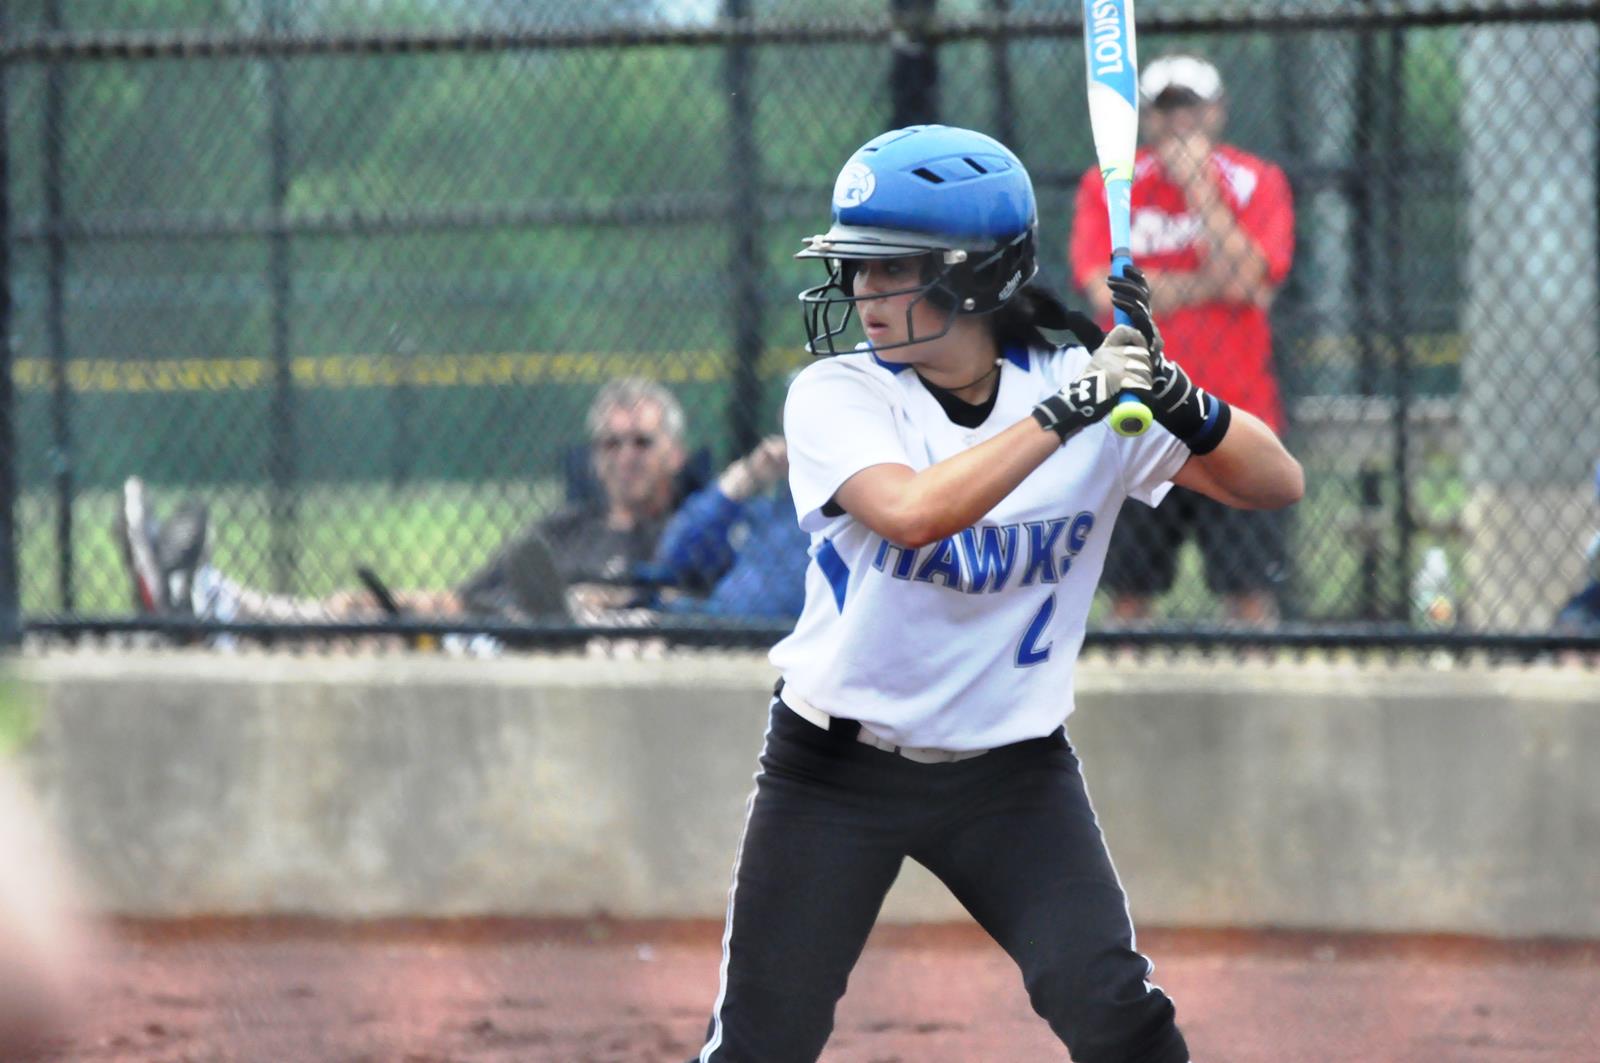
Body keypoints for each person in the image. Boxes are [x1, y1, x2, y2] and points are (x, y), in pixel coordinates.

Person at [688, 124, 1302, 1062]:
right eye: (857, 267)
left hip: (1012, 775)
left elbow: (1274, 481)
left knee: (1116, 1014)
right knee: (765, 1043)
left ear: (970, 277)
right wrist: (1069, 414)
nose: (862, 292)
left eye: (890, 270)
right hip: (835, 768)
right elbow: (915, 512)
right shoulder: (840, 395)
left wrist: (1175, 392)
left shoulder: (1078, 383)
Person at [116, 377, 694, 624]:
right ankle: (214, 600)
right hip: (486, 632)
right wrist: (397, 604)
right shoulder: (564, 527)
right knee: (356, 613)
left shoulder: (685, 531)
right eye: (611, 444)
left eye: (642, 442)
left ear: (674, 453)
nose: (626, 456)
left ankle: (214, 611)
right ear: (594, 458)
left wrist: (587, 604)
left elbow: (681, 607)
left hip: (564, 655)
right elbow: (464, 598)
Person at [1069, 53, 1296, 626]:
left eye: (1190, 107)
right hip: (1137, 413)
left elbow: (1250, 280)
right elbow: (1108, 292)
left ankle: (1255, 708)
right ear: (1145, 119)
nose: (1179, 123)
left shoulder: (1256, 180)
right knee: (1128, 596)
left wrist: (1200, 186)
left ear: (1217, 111)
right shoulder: (1110, 185)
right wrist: (1212, 283)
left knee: (1249, 596)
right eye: (1166, 110)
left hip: (1235, 414)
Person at [633, 434, 809, 622]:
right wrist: (740, 481)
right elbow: (674, 555)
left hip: (757, 638)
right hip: (715, 633)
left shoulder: (828, 518)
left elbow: (769, 607)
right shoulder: (765, 512)